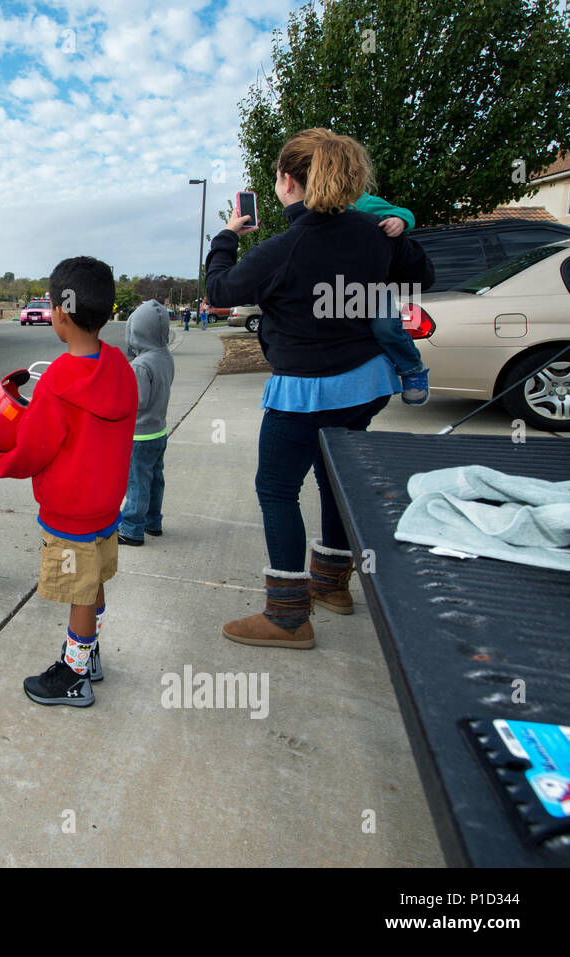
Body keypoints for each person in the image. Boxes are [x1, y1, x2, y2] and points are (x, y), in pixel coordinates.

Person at [205, 128, 434, 649]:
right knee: (333, 478)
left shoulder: (285, 247)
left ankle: (287, 616)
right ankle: (332, 586)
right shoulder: (375, 233)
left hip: (308, 389)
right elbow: (421, 274)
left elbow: (219, 291)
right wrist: (399, 234)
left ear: (288, 182)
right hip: (366, 383)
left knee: (277, 489)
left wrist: (227, 236)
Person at [0, 256, 138, 706]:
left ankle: (73, 674)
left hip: (69, 512)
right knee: (94, 581)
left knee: (79, 590)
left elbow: (32, 450)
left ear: (62, 315)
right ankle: (88, 655)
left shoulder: (55, 382)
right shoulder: (121, 369)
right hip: (107, 506)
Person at [349, 193, 430, 404]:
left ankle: (412, 368)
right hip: (339, 286)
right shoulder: (315, 207)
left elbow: (403, 212)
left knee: (385, 327)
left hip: (375, 283)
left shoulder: (364, 203)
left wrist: (399, 221)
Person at [118, 299, 174, 546]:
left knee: (137, 482)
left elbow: (136, 401)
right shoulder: (164, 356)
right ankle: (153, 521)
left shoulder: (140, 365)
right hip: (158, 431)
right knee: (155, 479)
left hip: (139, 435)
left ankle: (131, 528)